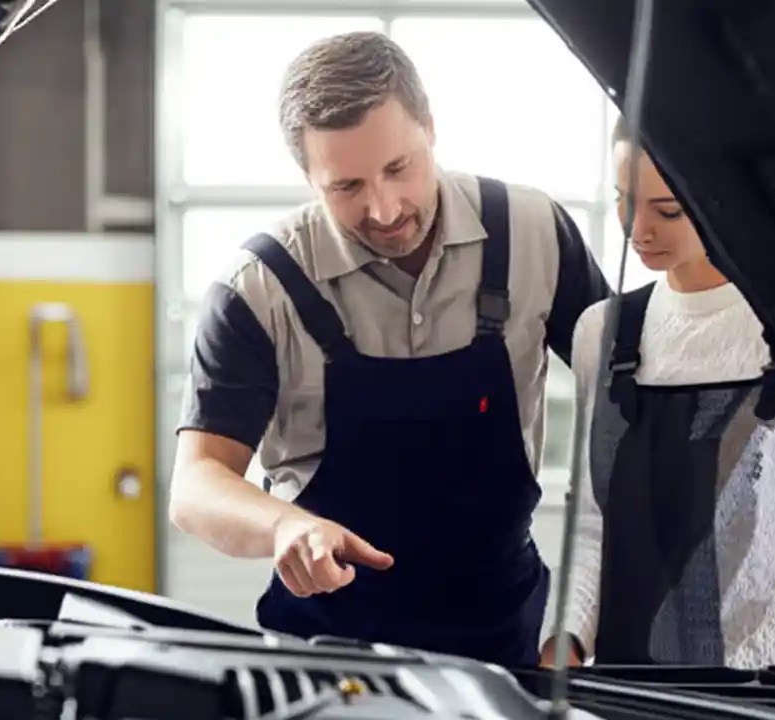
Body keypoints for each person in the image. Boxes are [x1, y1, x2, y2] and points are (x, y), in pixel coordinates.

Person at [168, 30, 611, 668]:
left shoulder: (535, 234)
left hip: (509, 646)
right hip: (324, 658)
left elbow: (630, 407)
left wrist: (580, 619)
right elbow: (195, 486)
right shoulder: (259, 289)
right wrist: (284, 526)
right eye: (346, 186)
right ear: (307, 178)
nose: (383, 209)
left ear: (430, 127)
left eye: (399, 168)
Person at [540, 116, 775, 669]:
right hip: (637, 688)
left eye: (668, 210)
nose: (637, 230)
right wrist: (564, 642)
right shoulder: (603, 332)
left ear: (725, 196)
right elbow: (595, 520)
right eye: (624, 199)